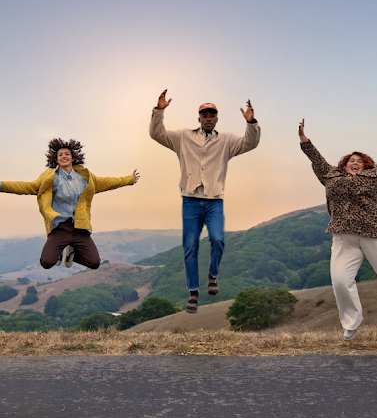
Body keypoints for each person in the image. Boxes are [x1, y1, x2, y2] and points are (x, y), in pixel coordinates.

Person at [299, 119, 377, 340]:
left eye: (360, 161)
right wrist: (304, 140)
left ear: (366, 166)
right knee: (340, 281)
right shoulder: (332, 177)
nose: (355, 162)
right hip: (344, 237)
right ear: (343, 165)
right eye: (351, 160)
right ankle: (351, 323)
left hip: (374, 234)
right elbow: (317, 161)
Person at [150, 90, 260, 312]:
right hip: (190, 200)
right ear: (199, 118)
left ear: (216, 118)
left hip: (213, 201)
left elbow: (250, 143)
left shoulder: (226, 140)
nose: (208, 118)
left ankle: (213, 276)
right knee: (190, 246)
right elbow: (157, 134)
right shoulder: (183, 137)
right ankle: (193, 293)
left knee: (218, 239)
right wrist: (159, 110)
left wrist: (251, 123)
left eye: (212, 115)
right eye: (204, 115)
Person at [0, 138, 139, 270]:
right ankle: (59, 251)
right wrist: (2, 185)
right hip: (60, 226)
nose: (63, 156)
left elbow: (108, 182)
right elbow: (28, 186)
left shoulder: (85, 177)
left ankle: (72, 252)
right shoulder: (50, 177)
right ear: (56, 159)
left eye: (67, 154)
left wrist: (129, 179)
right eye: (60, 155)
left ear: (73, 158)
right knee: (47, 262)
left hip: (80, 227)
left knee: (94, 263)